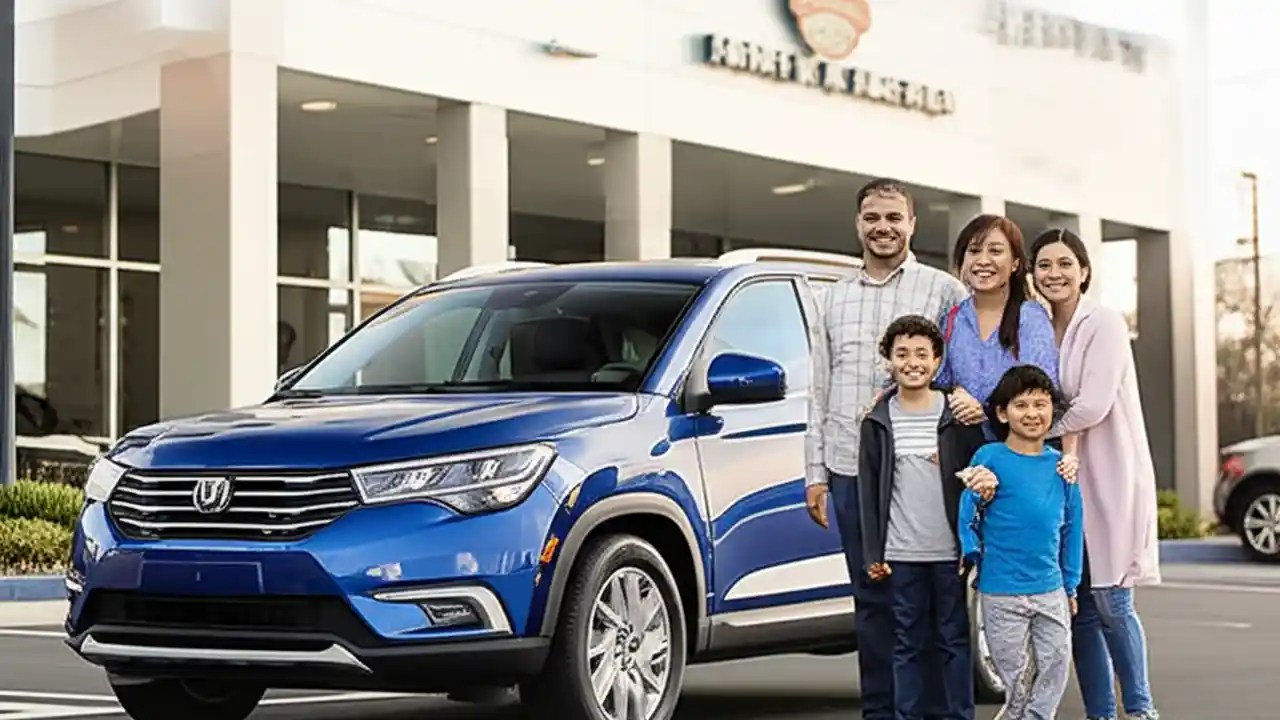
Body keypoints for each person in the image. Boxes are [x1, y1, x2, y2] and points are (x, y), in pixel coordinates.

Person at [805, 177, 985, 720]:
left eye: (894, 218)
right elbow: (818, 388)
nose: (883, 227)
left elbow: (964, 372)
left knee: (937, 602)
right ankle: (882, 712)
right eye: (872, 218)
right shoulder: (830, 299)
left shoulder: (944, 292)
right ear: (859, 224)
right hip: (851, 468)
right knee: (874, 600)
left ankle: (939, 711)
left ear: (912, 224)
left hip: (926, 470)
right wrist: (815, 472)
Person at [1029, 228, 1161, 720]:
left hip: (1108, 475)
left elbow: (1093, 405)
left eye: (1065, 264)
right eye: (1045, 265)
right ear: (1033, 274)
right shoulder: (1037, 326)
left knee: (1112, 601)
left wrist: (1032, 433)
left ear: (1084, 271)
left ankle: (1142, 709)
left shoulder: (1104, 322)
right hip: (1062, 479)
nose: (1055, 274)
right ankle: (1100, 714)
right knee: (1079, 606)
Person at [857, 315, 987, 720]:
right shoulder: (878, 420)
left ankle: (958, 715)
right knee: (907, 641)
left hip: (950, 551)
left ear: (936, 361)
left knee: (952, 639)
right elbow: (868, 490)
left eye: (921, 354)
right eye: (901, 354)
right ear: (888, 362)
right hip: (902, 552)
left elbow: (979, 471)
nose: (912, 362)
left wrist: (974, 544)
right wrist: (872, 552)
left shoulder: (955, 415)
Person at [958, 365, 1084, 720]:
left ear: (1052, 412)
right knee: (1016, 679)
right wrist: (972, 552)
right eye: (1022, 405)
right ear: (1002, 412)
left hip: (1050, 589)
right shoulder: (989, 458)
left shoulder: (1062, 468)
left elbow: (1072, 528)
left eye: (1040, 405)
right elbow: (967, 512)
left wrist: (1071, 585)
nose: (1032, 414)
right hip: (1000, 591)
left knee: (1056, 665)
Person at [935, 215, 1061, 431]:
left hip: (1014, 452)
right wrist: (955, 395)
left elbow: (1041, 392)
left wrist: (986, 411)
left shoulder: (1031, 317)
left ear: (1015, 263)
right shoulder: (953, 318)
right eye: (974, 251)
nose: (983, 260)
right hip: (962, 452)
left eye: (995, 251)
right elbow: (939, 382)